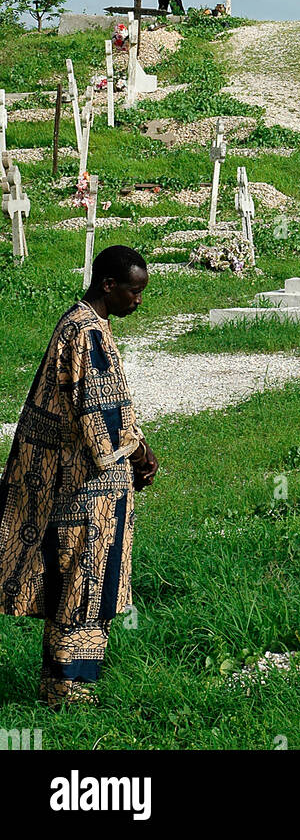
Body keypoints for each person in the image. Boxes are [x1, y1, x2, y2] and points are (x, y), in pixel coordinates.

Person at [0, 246, 158, 707]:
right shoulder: (86, 332)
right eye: (134, 290)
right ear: (108, 285)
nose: (138, 300)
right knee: (84, 580)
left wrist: (137, 445)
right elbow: (98, 414)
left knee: (71, 578)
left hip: (72, 480)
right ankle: (70, 689)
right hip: (85, 486)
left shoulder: (82, 323)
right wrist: (138, 451)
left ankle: (59, 686)